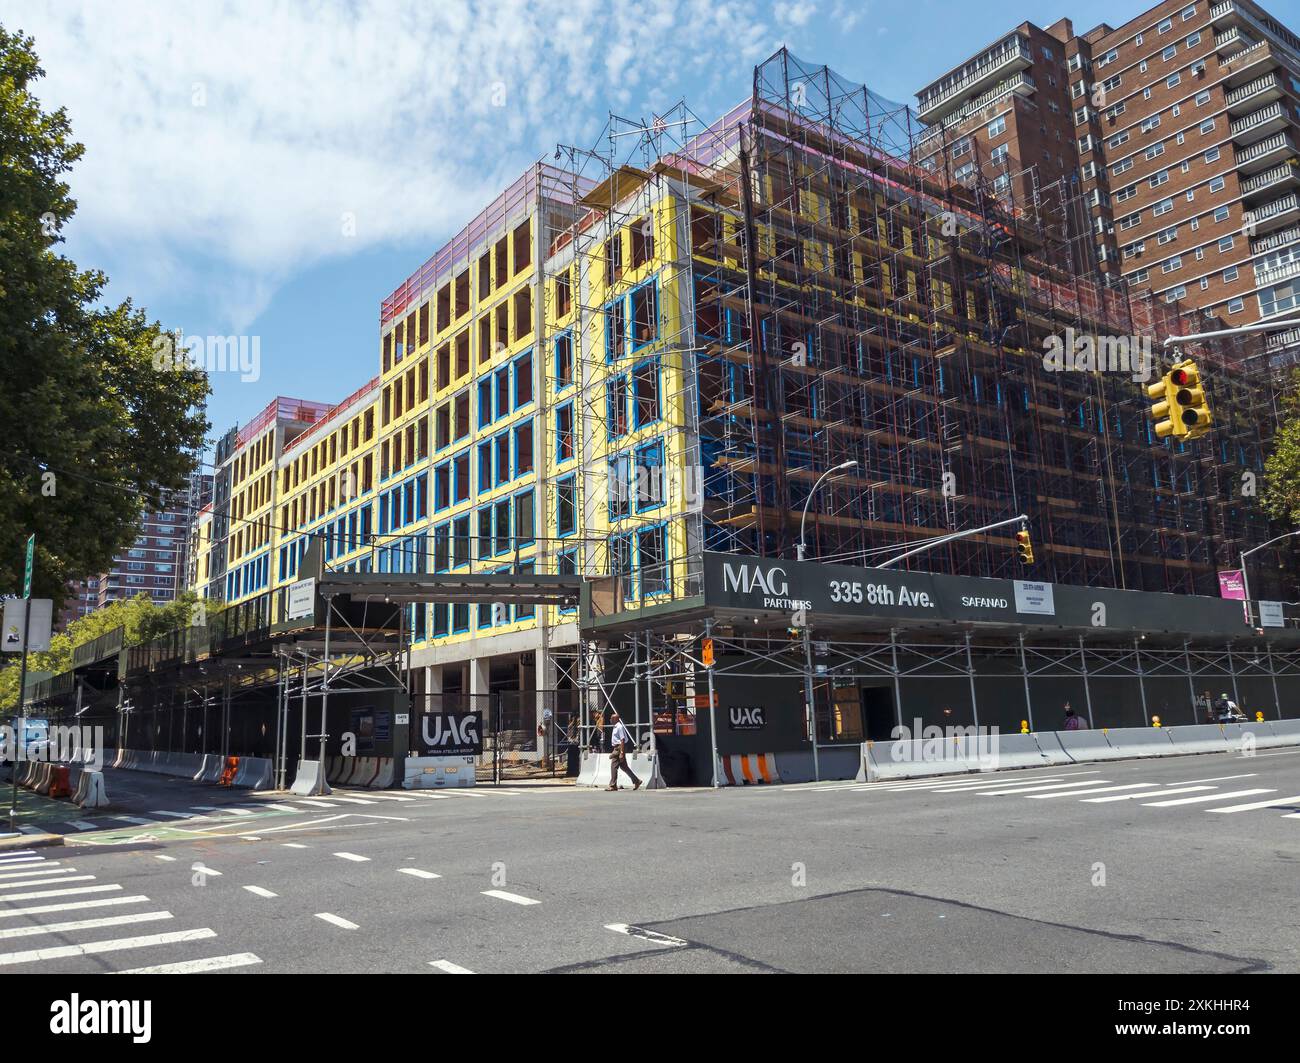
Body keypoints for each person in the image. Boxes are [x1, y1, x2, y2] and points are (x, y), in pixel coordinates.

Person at [607, 711, 641, 791]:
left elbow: (622, 740)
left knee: (614, 766)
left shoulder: (619, 727)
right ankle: (637, 781)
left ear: (616, 719)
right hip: (617, 747)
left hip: (619, 748)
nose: (610, 720)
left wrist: (622, 753)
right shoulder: (615, 727)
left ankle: (613, 785)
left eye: (612, 718)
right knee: (624, 767)